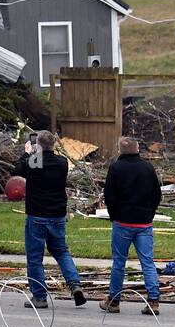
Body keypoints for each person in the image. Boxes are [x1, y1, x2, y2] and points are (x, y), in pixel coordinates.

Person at [11, 130, 85, 309]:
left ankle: (40, 296)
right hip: (57, 214)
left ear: (38, 146)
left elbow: (17, 171)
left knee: (35, 257)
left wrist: (28, 152)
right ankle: (74, 284)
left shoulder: (35, 163)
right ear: (54, 145)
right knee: (61, 251)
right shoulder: (62, 162)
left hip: (37, 215)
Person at [100, 136, 163, 315]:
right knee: (147, 262)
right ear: (137, 149)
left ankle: (113, 300)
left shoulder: (116, 168)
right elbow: (156, 194)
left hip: (123, 221)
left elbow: (109, 196)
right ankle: (153, 300)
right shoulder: (147, 168)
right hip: (144, 221)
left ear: (120, 150)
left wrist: (114, 215)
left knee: (119, 262)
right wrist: (149, 213)